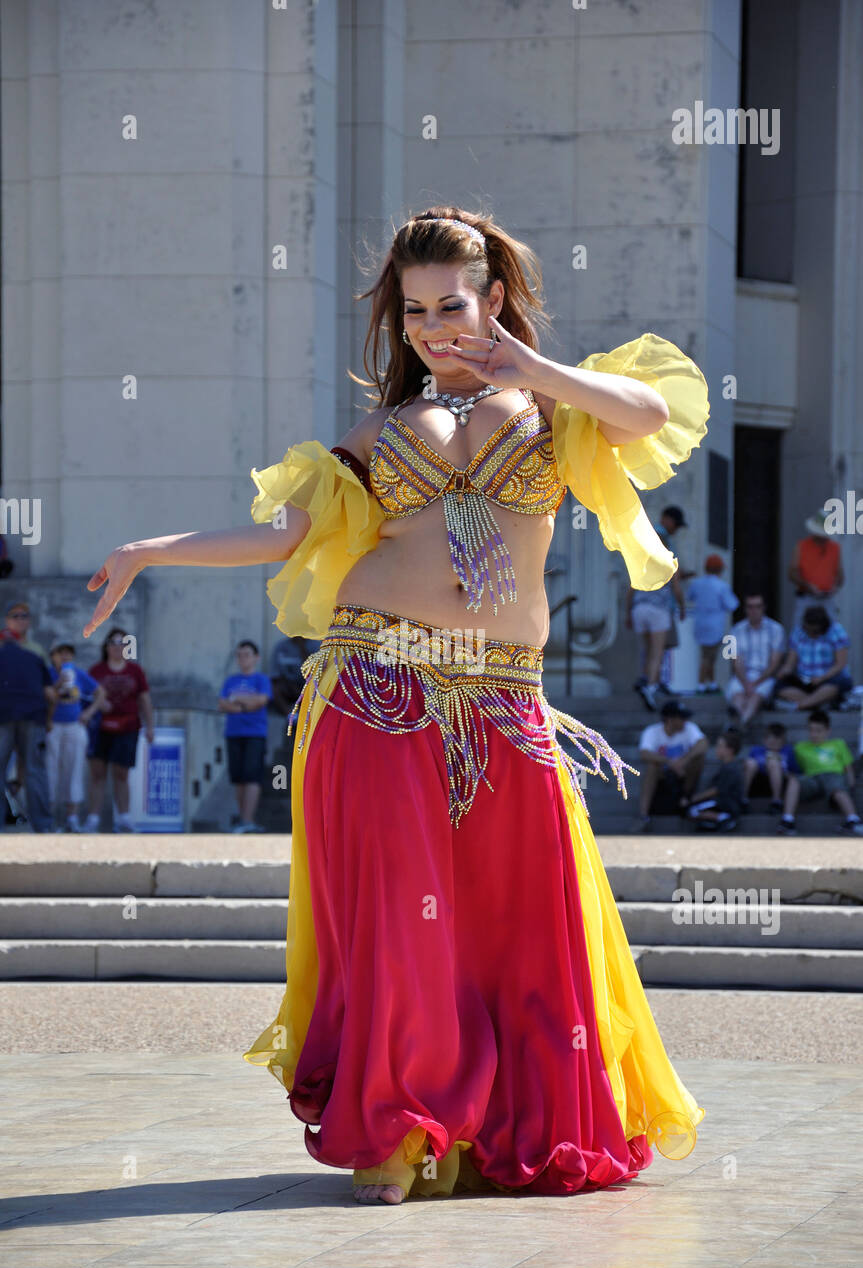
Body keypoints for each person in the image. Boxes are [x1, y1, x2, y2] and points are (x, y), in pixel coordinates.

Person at [83, 205, 708, 1204]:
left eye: (450, 304)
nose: (429, 327)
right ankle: (399, 1135)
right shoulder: (377, 430)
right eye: (412, 310)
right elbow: (283, 537)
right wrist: (152, 550)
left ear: (493, 298)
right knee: (396, 925)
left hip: (503, 696)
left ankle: (516, 1124)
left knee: (522, 920)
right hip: (376, 685)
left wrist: (528, 369)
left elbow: (650, 413)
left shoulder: (556, 412)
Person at [83, 627, 154, 832]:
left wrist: (150, 726)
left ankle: (124, 817)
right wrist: (97, 705)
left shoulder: (135, 671)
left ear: (127, 647)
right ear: (106, 647)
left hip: (128, 727)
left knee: (121, 774)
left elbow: (144, 699)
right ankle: (93, 819)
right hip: (100, 729)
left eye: (122, 642)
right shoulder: (96, 671)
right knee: (97, 774)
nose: (117, 647)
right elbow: (86, 697)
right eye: (113, 642)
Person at [625, 505, 687, 710]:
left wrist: (627, 612)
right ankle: (651, 687)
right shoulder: (668, 556)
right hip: (659, 608)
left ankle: (645, 679)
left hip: (640, 607)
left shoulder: (641, 557)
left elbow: (631, 587)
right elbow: (676, 586)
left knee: (646, 649)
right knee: (657, 653)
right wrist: (682, 606)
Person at [0, 628, 57, 831]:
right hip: (34, 717)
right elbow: (51, 695)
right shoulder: (34, 658)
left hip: (3, 716)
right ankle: (43, 827)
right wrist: (48, 720)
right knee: (35, 771)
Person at [47, 641, 104, 832]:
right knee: (50, 771)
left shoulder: (78, 673)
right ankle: (49, 819)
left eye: (68, 653)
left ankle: (72, 818)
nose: (64, 657)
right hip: (52, 726)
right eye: (60, 653)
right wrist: (58, 684)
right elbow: (44, 697)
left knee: (74, 769)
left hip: (74, 725)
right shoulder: (48, 673)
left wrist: (89, 713)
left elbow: (100, 693)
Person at [777, 709, 863, 836]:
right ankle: (787, 820)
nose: (814, 734)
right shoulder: (800, 747)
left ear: (828, 730)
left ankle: (853, 819)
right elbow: (789, 766)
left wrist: (850, 785)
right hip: (811, 779)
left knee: (836, 786)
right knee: (794, 780)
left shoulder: (838, 744)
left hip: (833, 775)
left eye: (818, 730)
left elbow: (848, 767)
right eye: (811, 730)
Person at [219, 640, 272, 833]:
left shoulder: (261, 680)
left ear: (256, 658)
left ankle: (248, 819)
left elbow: (261, 701)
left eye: (247, 654)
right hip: (233, 733)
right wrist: (245, 706)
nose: (243, 658)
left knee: (252, 777)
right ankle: (243, 819)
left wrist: (237, 701)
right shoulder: (230, 680)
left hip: (255, 734)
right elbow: (222, 704)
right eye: (239, 655)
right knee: (238, 778)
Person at [637, 699, 708, 830]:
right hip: (663, 774)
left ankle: (686, 799)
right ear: (669, 719)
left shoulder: (689, 728)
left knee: (699, 759)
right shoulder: (652, 731)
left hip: (684, 773)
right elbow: (644, 753)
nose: (685, 721)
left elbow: (703, 744)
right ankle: (643, 815)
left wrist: (683, 761)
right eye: (681, 717)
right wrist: (669, 762)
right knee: (652, 766)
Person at [774, 604, 853, 712]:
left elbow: (841, 664)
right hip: (804, 680)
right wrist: (784, 671)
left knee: (840, 682)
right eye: (808, 630)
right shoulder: (798, 632)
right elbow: (790, 663)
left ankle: (799, 706)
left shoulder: (836, 631)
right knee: (779, 685)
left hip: (828, 678)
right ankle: (818, 703)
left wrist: (822, 678)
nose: (810, 634)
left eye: (814, 631)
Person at [725, 594, 786, 727]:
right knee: (738, 696)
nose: (754, 610)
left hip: (766, 677)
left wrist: (755, 683)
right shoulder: (736, 630)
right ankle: (740, 725)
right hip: (742, 676)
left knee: (755, 697)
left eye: (758, 607)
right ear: (746, 609)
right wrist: (746, 683)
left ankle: (737, 726)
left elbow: (775, 663)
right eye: (750, 607)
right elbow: (735, 662)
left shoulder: (776, 629)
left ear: (763, 608)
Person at [686, 554, 738, 692]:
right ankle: (701, 684)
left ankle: (712, 683)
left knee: (708, 655)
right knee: (708, 657)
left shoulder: (697, 583)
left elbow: (689, 597)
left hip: (700, 624)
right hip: (715, 626)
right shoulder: (722, 586)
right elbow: (732, 605)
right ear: (720, 570)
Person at [788, 509, 843, 629]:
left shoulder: (835, 548)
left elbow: (840, 576)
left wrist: (834, 587)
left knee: (833, 631)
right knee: (799, 631)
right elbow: (791, 574)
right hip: (806, 598)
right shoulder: (801, 547)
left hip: (827, 599)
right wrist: (808, 586)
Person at [682, 728, 744, 831]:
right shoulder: (728, 766)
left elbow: (716, 790)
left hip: (728, 804)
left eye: (720, 746)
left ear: (730, 750)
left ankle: (724, 818)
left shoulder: (730, 768)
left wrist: (691, 799)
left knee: (692, 810)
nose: (717, 749)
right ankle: (713, 823)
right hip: (724, 803)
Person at [743, 722, 799, 813]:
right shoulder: (756, 750)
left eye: (777, 738)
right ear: (764, 739)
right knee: (750, 763)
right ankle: (743, 799)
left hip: (780, 783)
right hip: (758, 782)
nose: (773, 741)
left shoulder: (788, 751)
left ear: (783, 741)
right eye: (770, 737)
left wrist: (777, 764)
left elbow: (795, 771)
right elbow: (747, 768)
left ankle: (776, 801)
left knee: (774, 763)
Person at [268, 635, 314, 719]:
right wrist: (291, 685)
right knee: (275, 688)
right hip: (287, 685)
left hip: (307, 685)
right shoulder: (281, 646)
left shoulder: (314, 645)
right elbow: (275, 676)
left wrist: (302, 648)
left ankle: (307, 716)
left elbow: (314, 672)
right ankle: (291, 716)